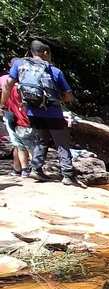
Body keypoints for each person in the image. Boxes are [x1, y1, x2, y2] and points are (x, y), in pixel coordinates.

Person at [1, 41, 80, 186]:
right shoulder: (54, 71)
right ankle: (68, 175)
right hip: (53, 113)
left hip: (32, 112)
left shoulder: (19, 66)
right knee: (61, 142)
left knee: (41, 140)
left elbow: (8, 85)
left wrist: (2, 105)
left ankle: (36, 170)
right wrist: (64, 99)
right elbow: (68, 95)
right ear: (45, 53)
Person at [1, 64, 33, 177]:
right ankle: (34, 169)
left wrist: (2, 107)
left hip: (10, 114)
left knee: (18, 143)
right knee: (29, 144)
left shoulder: (4, 81)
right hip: (25, 118)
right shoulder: (27, 83)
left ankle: (19, 169)